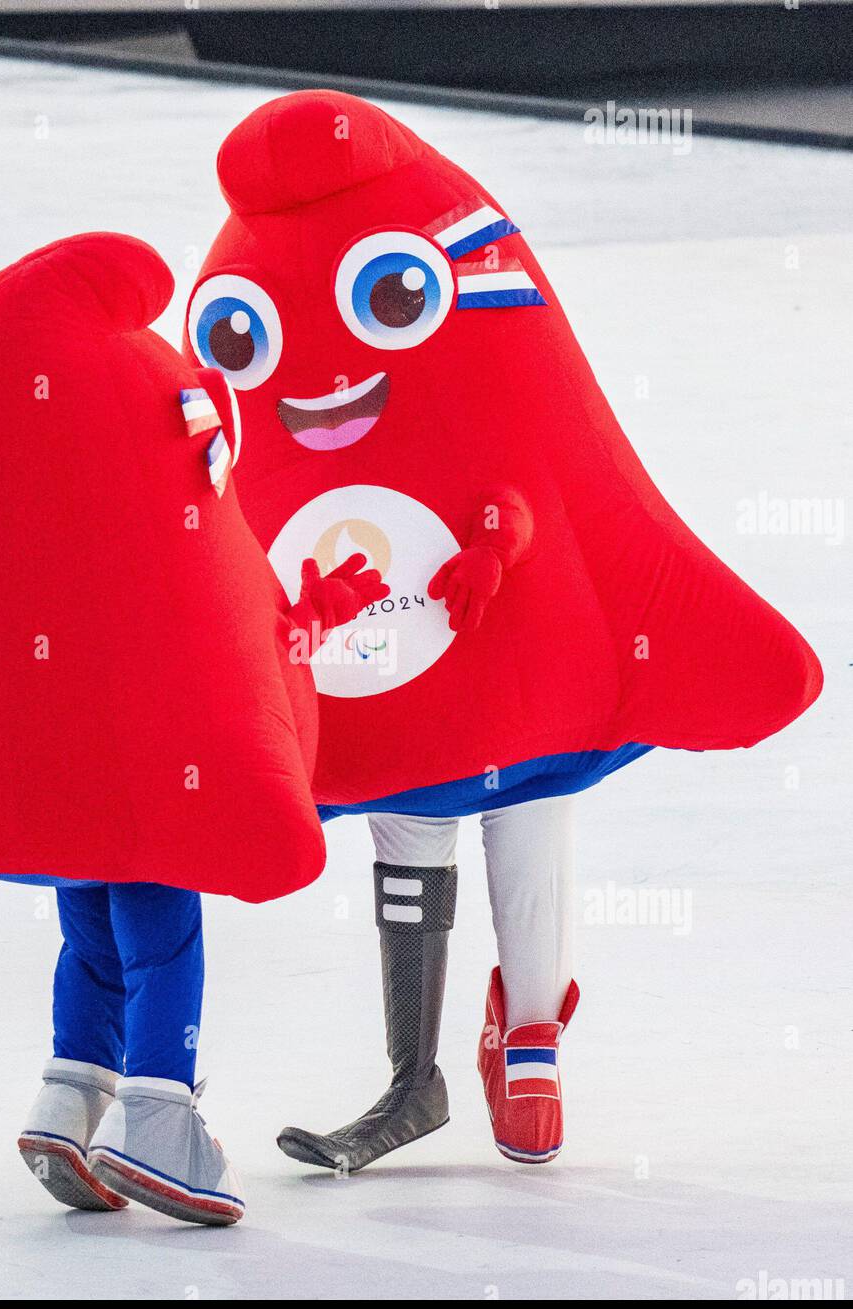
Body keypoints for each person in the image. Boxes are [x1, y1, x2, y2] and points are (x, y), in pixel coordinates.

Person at [185, 90, 822, 1172]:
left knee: (471, 825)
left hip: (467, 678)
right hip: (437, 680)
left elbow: (513, 488)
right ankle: (472, 1063)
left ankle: (508, 1053)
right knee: (497, 826)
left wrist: (488, 549)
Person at [0, 232, 384, 1221]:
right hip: (154, 773)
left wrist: (309, 613)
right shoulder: (156, 534)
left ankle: (69, 1097)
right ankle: (159, 1116)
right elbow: (225, 624)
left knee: (90, 942)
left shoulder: (42, 529)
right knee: (162, 943)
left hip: (72, 773)